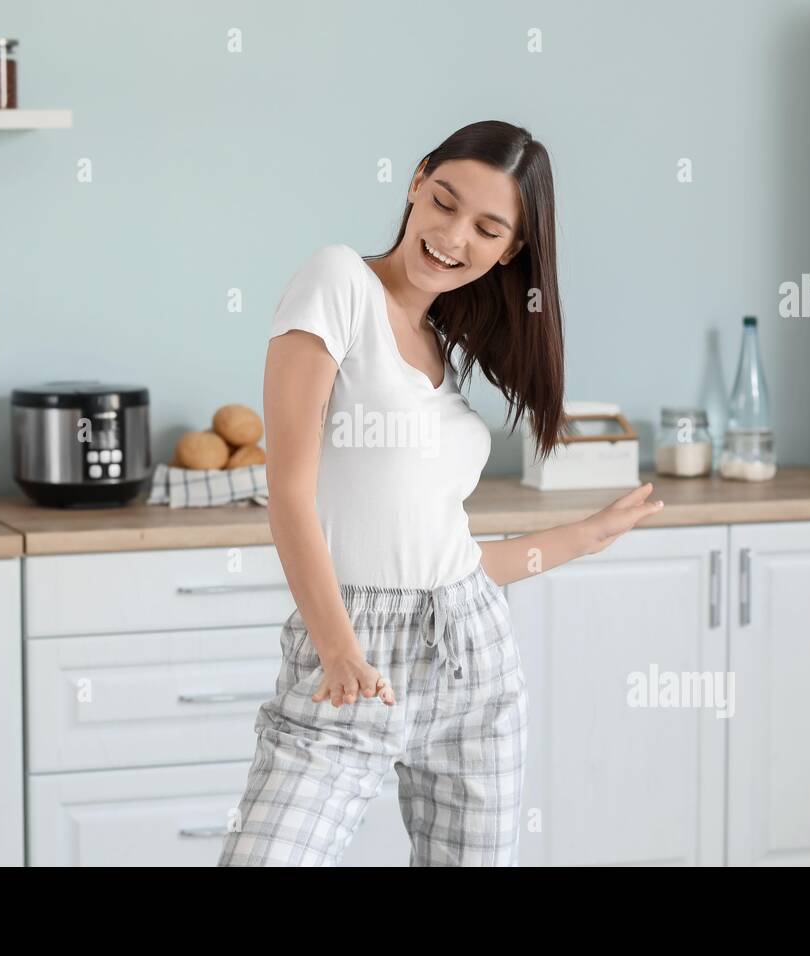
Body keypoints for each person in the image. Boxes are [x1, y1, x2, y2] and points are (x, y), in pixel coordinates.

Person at [217, 120, 663, 867]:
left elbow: (446, 566)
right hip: (348, 657)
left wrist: (581, 539)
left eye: (487, 228)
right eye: (445, 202)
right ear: (418, 178)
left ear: (509, 251)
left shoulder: (444, 347)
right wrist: (338, 652)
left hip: (474, 659)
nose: (453, 236)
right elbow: (289, 493)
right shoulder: (338, 283)